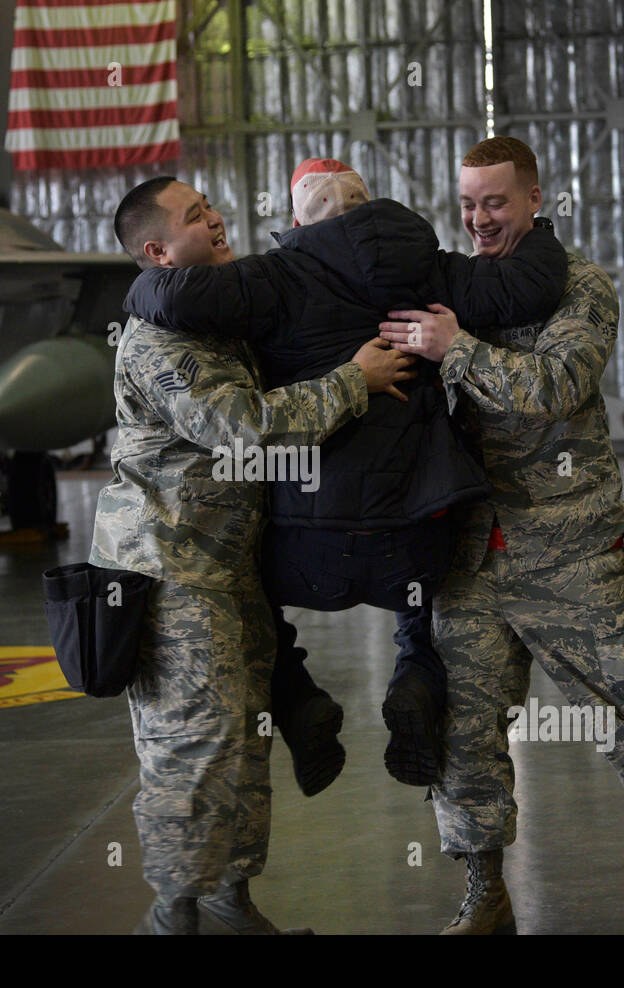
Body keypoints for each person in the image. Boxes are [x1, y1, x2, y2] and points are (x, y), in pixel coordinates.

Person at [380, 136, 624, 935]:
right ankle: (484, 893)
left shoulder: (582, 287)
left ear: (536, 198)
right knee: (463, 733)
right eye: (467, 203)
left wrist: (457, 350)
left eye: (495, 202)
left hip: (570, 551)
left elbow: (557, 384)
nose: (478, 219)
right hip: (469, 558)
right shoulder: (455, 292)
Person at [124, 158, 567, 796]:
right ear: (370, 208)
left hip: (301, 548)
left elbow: (175, 295)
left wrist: (136, 287)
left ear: (298, 222)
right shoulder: (427, 267)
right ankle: (415, 674)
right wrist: (541, 228)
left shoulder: (272, 277)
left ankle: (298, 698)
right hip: (409, 544)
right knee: (437, 585)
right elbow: (528, 287)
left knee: (243, 581)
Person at [89, 175, 415, 935]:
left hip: (226, 568)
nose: (217, 220)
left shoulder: (216, 315)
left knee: (239, 738)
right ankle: (171, 918)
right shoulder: (163, 339)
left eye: (211, 207)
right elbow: (245, 428)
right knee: (191, 751)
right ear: (157, 251)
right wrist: (354, 381)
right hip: (171, 572)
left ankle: (229, 907)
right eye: (197, 217)